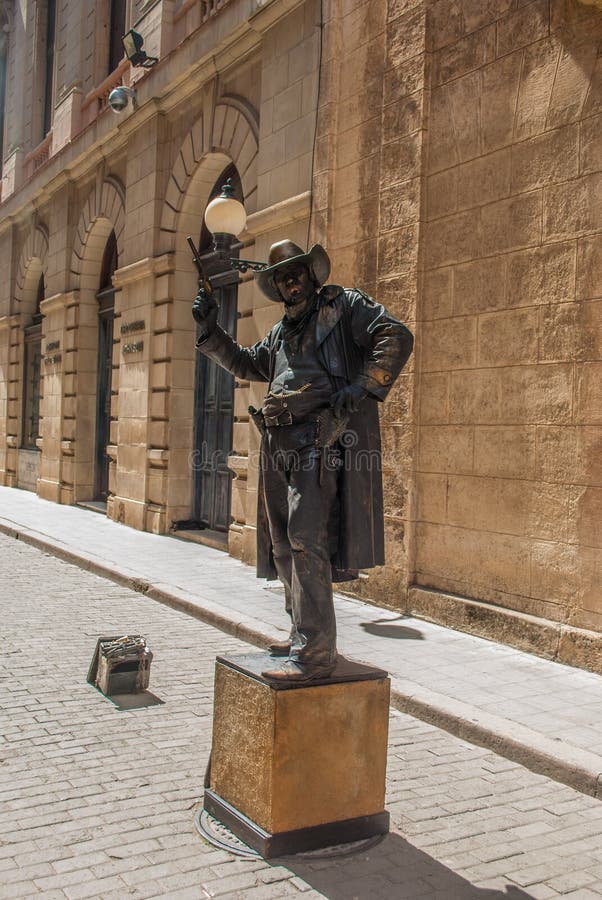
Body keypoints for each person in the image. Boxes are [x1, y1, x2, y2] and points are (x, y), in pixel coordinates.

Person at [192, 240, 413, 684]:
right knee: (281, 544)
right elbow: (247, 363)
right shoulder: (280, 333)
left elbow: (396, 335)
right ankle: (301, 636)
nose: (290, 282)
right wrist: (210, 330)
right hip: (277, 439)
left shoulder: (344, 306)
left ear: (311, 276)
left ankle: (315, 653)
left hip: (319, 438)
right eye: (281, 278)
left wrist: (364, 385)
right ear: (276, 286)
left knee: (305, 539)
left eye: (296, 273)